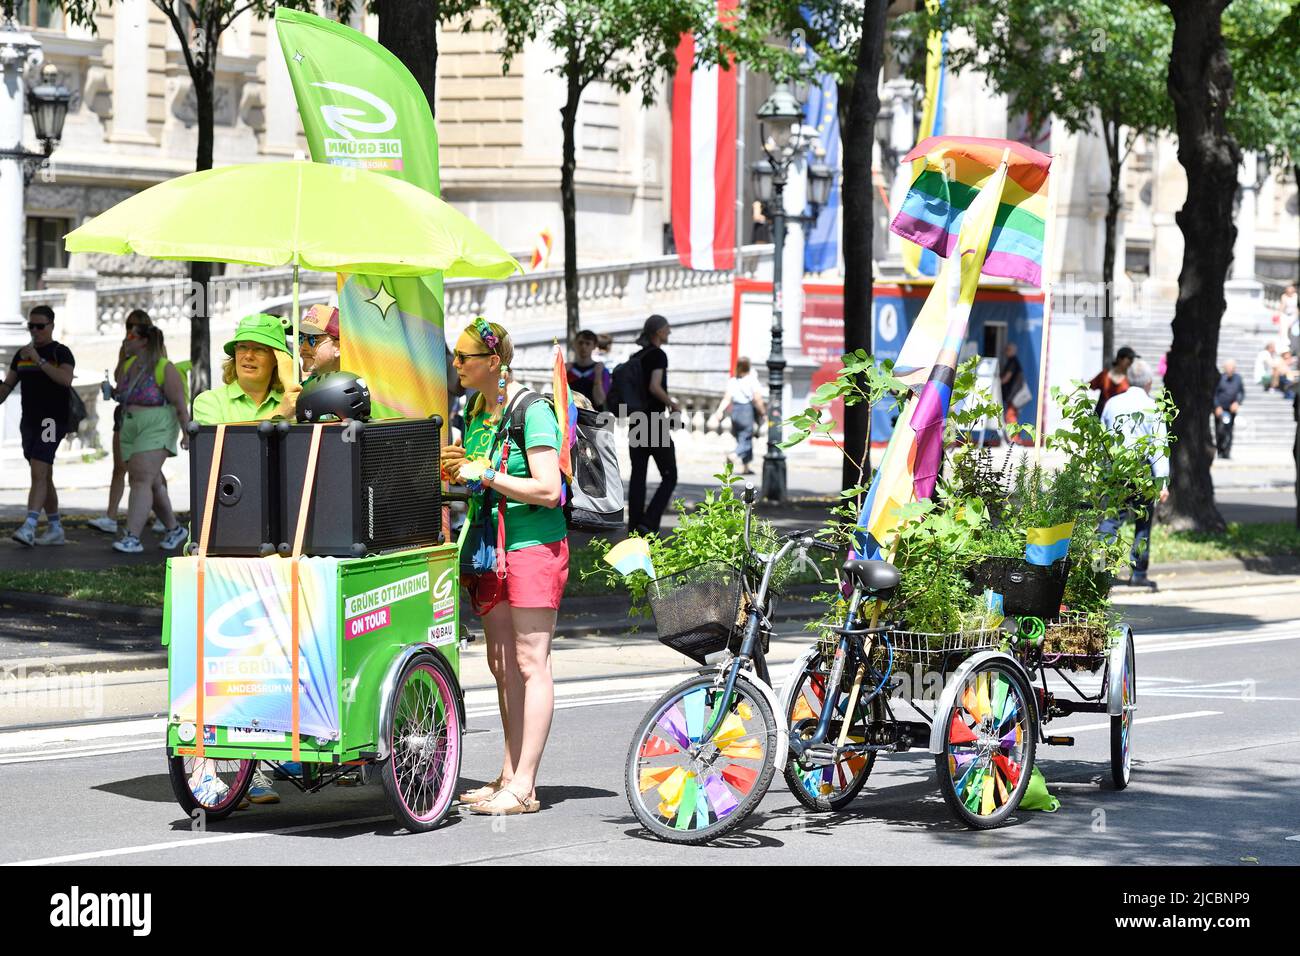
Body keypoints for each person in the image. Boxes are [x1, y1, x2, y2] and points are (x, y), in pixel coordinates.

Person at [441, 317, 567, 815]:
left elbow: (548, 489)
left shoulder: (532, 410)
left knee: (531, 663)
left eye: (464, 357)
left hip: (533, 546)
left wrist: (487, 474)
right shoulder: (474, 409)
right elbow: (475, 479)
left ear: (494, 362)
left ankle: (525, 787)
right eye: (455, 356)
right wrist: (454, 470)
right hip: (488, 548)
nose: (456, 366)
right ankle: (508, 774)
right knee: (501, 665)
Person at [189, 313, 295, 808]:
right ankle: (205, 764)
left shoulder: (293, 402)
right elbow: (232, 445)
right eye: (241, 348)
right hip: (220, 543)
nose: (247, 356)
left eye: (260, 348)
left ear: (278, 360)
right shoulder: (210, 401)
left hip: (279, 545)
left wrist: (296, 400)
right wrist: (286, 416)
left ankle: (255, 770)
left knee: (265, 660)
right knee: (210, 659)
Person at [111, 325, 191, 554]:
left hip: (157, 425)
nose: (126, 340)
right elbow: (123, 393)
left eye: (130, 337)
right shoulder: (129, 364)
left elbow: (179, 404)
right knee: (151, 481)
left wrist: (186, 432)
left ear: (144, 341)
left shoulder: (165, 368)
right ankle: (174, 529)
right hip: (130, 424)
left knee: (140, 478)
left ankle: (132, 537)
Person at [1, 306, 75, 547]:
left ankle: (29, 526)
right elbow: (7, 387)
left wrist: (39, 360)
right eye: (31, 326)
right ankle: (55, 527)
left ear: (51, 326)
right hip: (30, 421)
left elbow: (64, 379)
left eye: (39, 326)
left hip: (51, 420)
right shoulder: (21, 355)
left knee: (38, 471)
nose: (35, 330)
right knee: (44, 474)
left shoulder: (60, 352)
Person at [1099, 360, 1169, 588]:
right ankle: (1138, 574)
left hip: (1115, 467)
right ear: (1149, 382)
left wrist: (1101, 471)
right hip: (1142, 470)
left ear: (1128, 379)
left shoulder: (1112, 403)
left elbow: (1103, 439)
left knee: (1109, 520)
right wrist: (1162, 482)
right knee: (1143, 522)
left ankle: (1100, 572)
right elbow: (1159, 446)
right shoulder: (1153, 407)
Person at [90, 310, 154, 535]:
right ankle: (111, 516)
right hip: (125, 415)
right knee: (119, 468)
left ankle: (163, 518)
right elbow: (120, 380)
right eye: (128, 326)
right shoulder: (125, 349)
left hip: (148, 419)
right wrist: (125, 356)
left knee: (150, 473)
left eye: (135, 328)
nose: (130, 332)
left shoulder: (156, 353)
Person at [628, 314, 679, 534]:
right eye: (667, 328)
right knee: (670, 475)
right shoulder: (658, 355)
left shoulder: (636, 356)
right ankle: (649, 522)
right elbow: (654, 386)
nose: (669, 332)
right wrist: (673, 403)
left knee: (638, 474)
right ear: (658, 331)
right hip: (654, 421)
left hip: (635, 421)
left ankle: (635, 526)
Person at [709, 356, 765, 474]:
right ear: (748, 367)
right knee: (747, 438)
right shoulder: (751, 380)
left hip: (735, 411)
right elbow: (757, 398)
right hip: (746, 411)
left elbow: (727, 398)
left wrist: (719, 411)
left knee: (742, 438)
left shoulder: (733, 381)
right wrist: (763, 412)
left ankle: (746, 467)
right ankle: (734, 454)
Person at [298, 304, 340, 385]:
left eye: (312, 339)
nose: (302, 347)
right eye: (301, 338)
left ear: (338, 347)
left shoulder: (361, 388)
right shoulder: (300, 391)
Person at [1212, 358, 1245, 460]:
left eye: (1233, 367)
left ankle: (1227, 452)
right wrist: (1217, 406)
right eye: (1229, 367)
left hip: (1231, 410)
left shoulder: (1238, 378)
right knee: (1220, 430)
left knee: (1229, 431)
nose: (1231, 369)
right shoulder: (1219, 378)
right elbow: (1214, 394)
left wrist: (1237, 402)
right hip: (1220, 409)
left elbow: (1241, 392)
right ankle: (1220, 451)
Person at [1089, 346, 1136, 417]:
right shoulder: (1104, 375)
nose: (1131, 362)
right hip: (1101, 414)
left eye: (1132, 359)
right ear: (1120, 359)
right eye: (1129, 359)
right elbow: (1088, 386)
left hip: (1119, 416)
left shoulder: (1130, 379)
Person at [568, 329, 608, 410]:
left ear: (594, 346)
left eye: (588, 343)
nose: (583, 346)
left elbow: (600, 401)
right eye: (580, 343)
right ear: (574, 344)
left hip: (594, 418)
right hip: (571, 417)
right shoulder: (568, 370)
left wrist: (598, 375)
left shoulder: (601, 370)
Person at [998, 342, 1025, 424]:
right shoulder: (1012, 361)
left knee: (1010, 416)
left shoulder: (1012, 362)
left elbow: (1007, 378)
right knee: (1010, 415)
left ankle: (1015, 436)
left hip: (1014, 394)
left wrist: (997, 384)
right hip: (1013, 394)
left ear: (1012, 351)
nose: (1006, 352)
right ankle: (1013, 436)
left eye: (1007, 350)